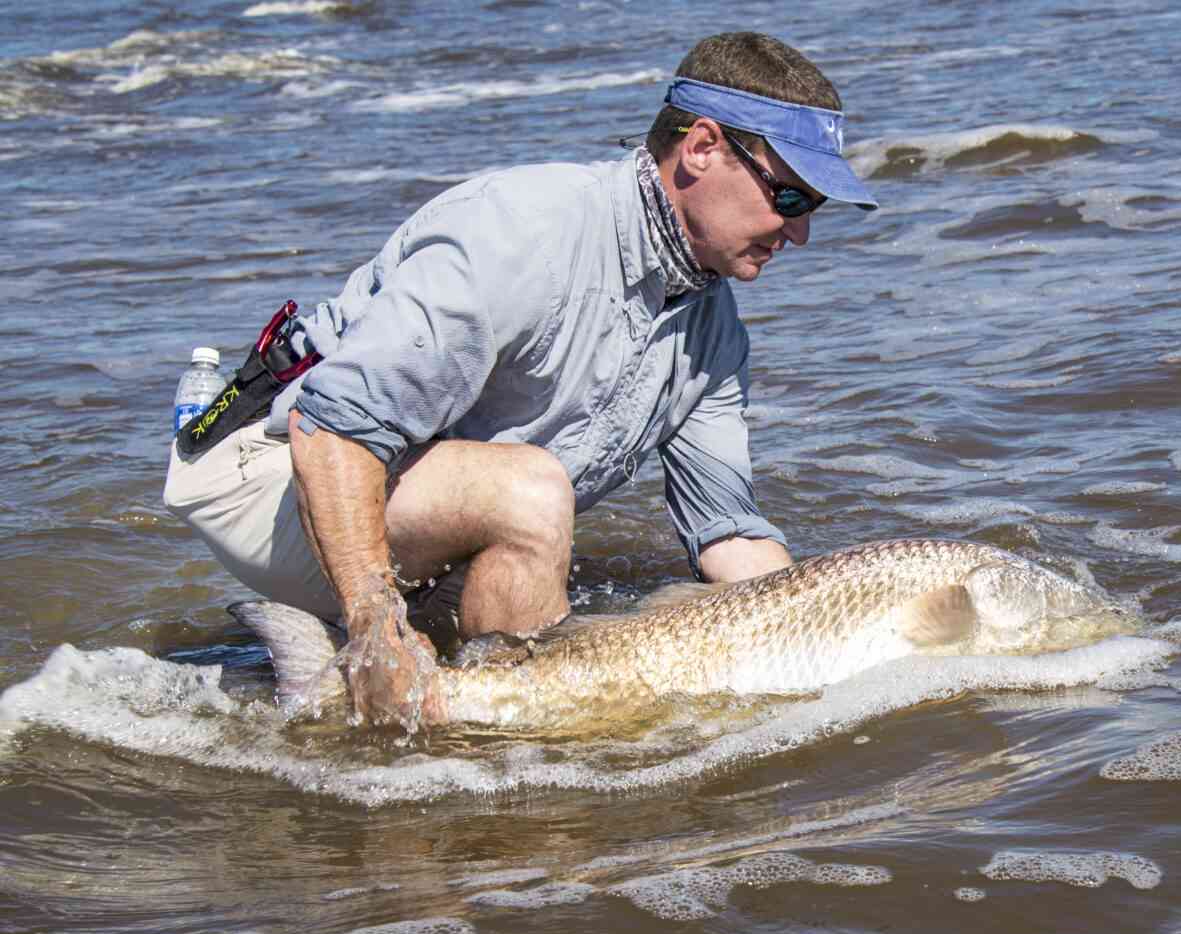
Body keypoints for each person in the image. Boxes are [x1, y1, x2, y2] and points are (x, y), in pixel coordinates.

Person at [163, 32, 878, 729]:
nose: (800, 232)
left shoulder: (714, 331)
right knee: (531, 496)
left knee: (600, 600)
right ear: (701, 148)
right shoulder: (523, 229)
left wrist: (827, 627)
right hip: (278, 466)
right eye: (790, 197)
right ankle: (497, 748)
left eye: (813, 207)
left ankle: (477, 732)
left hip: (404, 490)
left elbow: (730, 539)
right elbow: (334, 426)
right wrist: (373, 623)